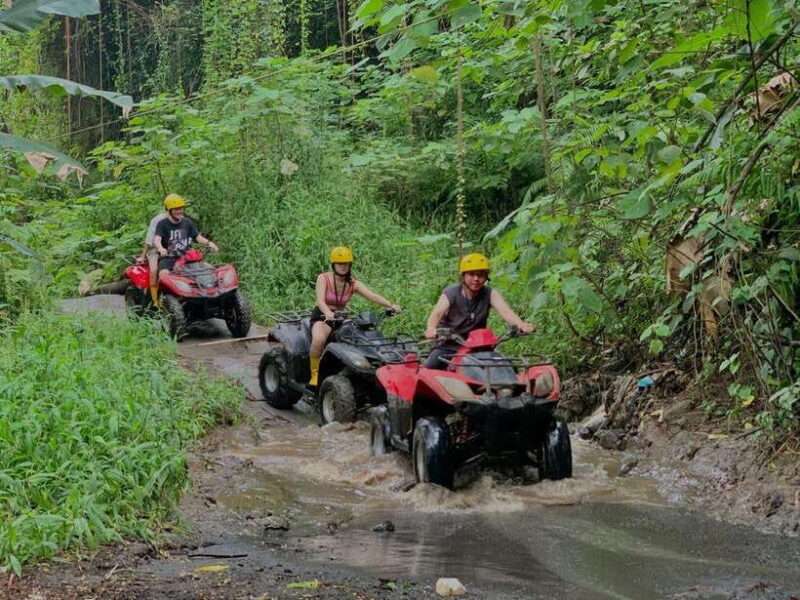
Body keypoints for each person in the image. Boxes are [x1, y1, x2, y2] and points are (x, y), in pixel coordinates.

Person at [308, 246, 402, 386]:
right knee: (318, 339)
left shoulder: (353, 283)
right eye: (340, 263)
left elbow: (372, 296)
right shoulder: (324, 278)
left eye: (346, 263)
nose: (343, 267)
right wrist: (328, 312)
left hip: (341, 316)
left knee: (359, 337)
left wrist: (391, 305)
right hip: (323, 316)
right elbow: (320, 300)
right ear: (334, 264)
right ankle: (314, 374)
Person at [423, 253, 533, 369]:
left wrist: (521, 325)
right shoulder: (451, 293)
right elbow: (436, 314)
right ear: (463, 276)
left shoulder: (489, 293)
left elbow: (506, 312)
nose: (476, 279)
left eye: (481, 275)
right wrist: (431, 329)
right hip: (449, 344)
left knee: (508, 368)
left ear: (486, 277)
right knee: (430, 368)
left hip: (479, 346)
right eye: (471, 274)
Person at [153, 194, 218, 282]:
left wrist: (209, 243)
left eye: (181, 208)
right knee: (164, 275)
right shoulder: (162, 224)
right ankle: (162, 296)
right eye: (176, 209)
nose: (179, 211)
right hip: (169, 258)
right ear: (169, 210)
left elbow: (198, 237)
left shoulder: (188, 222)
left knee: (210, 269)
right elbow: (157, 239)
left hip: (187, 257)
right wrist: (160, 248)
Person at [140, 202, 168, 306]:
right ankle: (155, 299)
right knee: (154, 270)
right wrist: (143, 255)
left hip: (173, 249)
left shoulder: (180, 219)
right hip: (155, 249)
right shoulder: (157, 220)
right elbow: (149, 239)